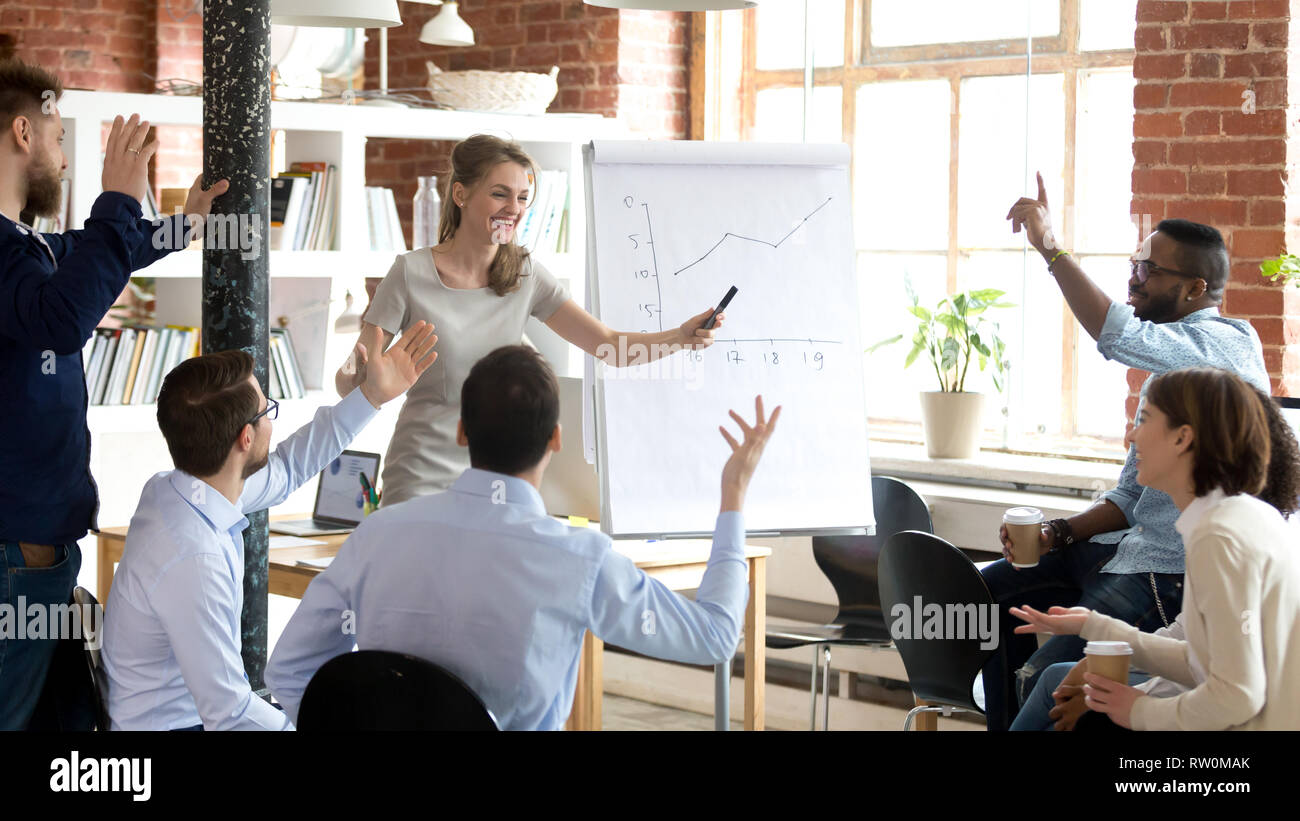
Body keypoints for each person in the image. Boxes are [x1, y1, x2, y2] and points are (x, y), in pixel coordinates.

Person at [267, 345, 781, 730]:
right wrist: (733, 496)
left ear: (462, 432)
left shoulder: (378, 533)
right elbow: (713, 637)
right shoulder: (580, 558)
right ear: (555, 437)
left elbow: (288, 670)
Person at [979, 173, 1271, 731]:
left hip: (1165, 569)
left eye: (1148, 270)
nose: (1133, 279)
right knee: (986, 594)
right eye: (1135, 264)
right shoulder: (1169, 371)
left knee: (1045, 676)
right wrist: (1057, 533)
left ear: (1193, 289)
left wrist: (1049, 245)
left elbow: (1114, 334)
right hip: (1129, 545)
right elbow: (1132, 495)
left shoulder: (1221, 346)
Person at [0, 58, 228, 730]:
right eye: (59, 137)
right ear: (22, 133)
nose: (65, 158)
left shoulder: (23, 245)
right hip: (15, 554)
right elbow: (65, 318)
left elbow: (87, 258)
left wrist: (182, 226)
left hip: (33, 550)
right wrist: (120, 197)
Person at [335, 134, 727, 506]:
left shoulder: (524, 275)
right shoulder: (409, 273)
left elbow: (609, 347)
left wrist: (681, 336)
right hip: (420, 479)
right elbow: (350, 377)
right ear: (460, 194)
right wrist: (359, 378)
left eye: (523, 197)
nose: (514, 208)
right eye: (500, 194)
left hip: (499, 482)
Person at [100, 323, 437, 730]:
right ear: (245, 438)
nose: (271, 420)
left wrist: (370, 397)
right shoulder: (193, 560)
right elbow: (230, 713)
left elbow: (289, 467)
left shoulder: (173, 491)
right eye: (267, 411)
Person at [1011, 367, 1300, 730]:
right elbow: (1200, 658)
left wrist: (1139, 710)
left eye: (1144, 419)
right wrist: (1095, 626)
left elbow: (1238, 695)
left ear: (1182, 438)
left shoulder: (1218, 538)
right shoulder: (1236, 517)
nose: (1131, 435)